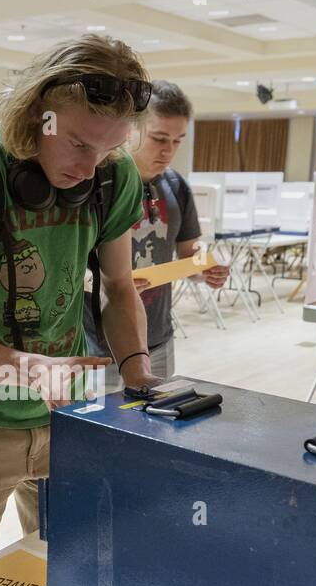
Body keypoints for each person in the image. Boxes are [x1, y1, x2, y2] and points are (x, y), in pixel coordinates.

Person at [0, 33, 159, 586]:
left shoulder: (114, 178)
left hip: (67, 419)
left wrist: (137, 371)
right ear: (34, 116)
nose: (90, 170)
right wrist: (37, 372)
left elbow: (116, 284)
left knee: (62, 575)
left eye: (107, 150)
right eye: (78, 145)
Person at [83, 80, 228, 390]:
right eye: (159, 138)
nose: (169, 150)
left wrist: (205, 266)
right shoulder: (97, 182)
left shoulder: (176, 185)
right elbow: (65, 266)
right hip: (97, 344)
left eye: (177, 141)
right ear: (131, 130)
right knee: (100, 434)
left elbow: (189, 251)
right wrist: (107, 282)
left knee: (153, 427)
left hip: (158, 338)